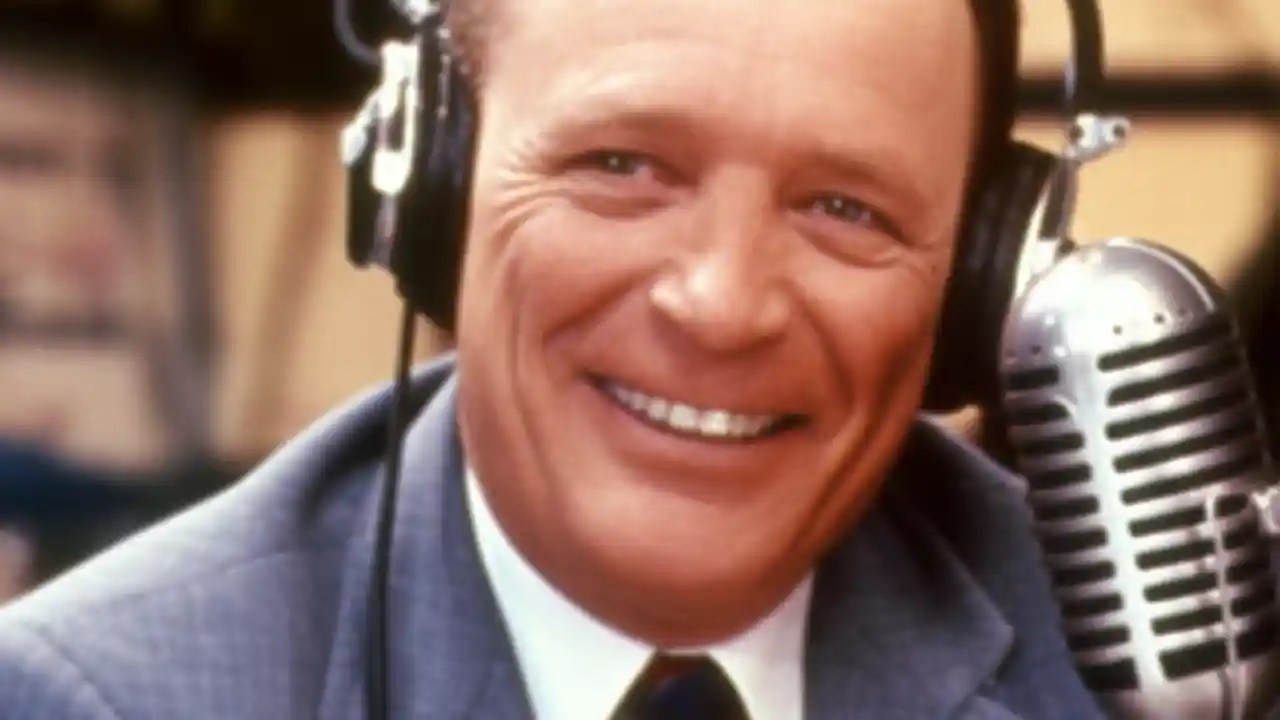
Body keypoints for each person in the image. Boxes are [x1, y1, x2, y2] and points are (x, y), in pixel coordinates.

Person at [0, 0, 1104, 717]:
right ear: (425, 189)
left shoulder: (1158, 683)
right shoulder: (109, 696)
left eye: (843, 208)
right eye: (620, 164)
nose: (721, 304)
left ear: (979, 278)